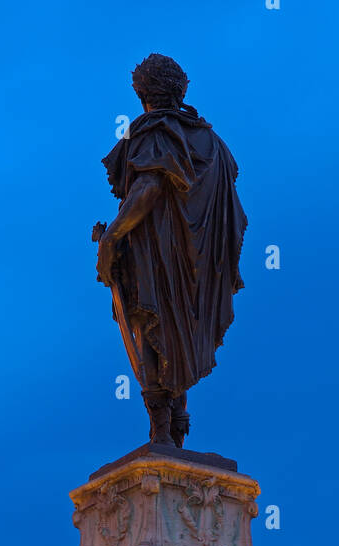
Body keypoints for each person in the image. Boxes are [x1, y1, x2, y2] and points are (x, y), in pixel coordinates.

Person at [96, 53, 246, 447]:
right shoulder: (215, 145)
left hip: (156, 254)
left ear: (141, 92)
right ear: (181, 90)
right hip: (201, 261)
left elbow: (148, 189)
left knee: (151, 325)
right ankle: (176, 424)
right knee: (180, 334)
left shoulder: (153, 131)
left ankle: (161, 431)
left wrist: (112, 238)